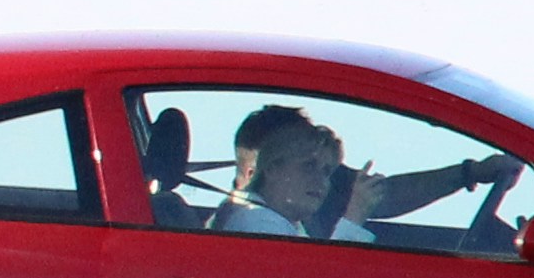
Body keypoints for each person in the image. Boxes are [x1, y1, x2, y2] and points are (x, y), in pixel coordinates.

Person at [209, 101, 499, 241]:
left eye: (326, 170)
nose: (322, 181)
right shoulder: (256, 225)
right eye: (308, 165)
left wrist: (469, 173)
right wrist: (356, 213)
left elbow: (387, 195)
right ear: (269, 167)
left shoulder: (279, 215)